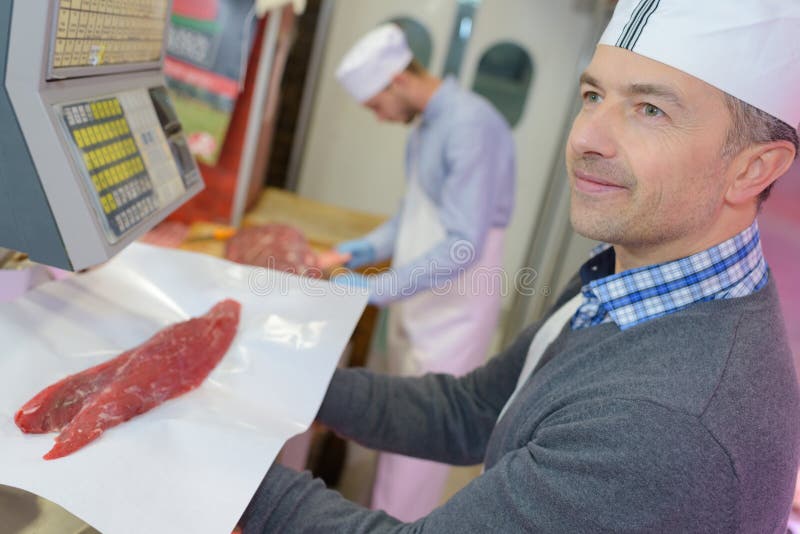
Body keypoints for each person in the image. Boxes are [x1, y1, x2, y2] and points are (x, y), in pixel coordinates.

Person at [239, 1, 800, 531]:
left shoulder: (671, 426)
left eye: (650, 109)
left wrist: (228, 473)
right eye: (591, 95)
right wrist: (284, 376)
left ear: (754, 169)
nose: (585, 138)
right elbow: (475, 410)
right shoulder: (623, 281)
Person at [330, 24, 516, 520]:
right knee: (397, 428)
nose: (377, 117)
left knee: (418, 445)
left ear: (396, 80)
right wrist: (365, 248)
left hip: (453, 310)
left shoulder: (470, 126)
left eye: (374, 105)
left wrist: (378, 288)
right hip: (419, 299)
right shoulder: (427, 126)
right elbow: (412, 212)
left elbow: (462, 246)